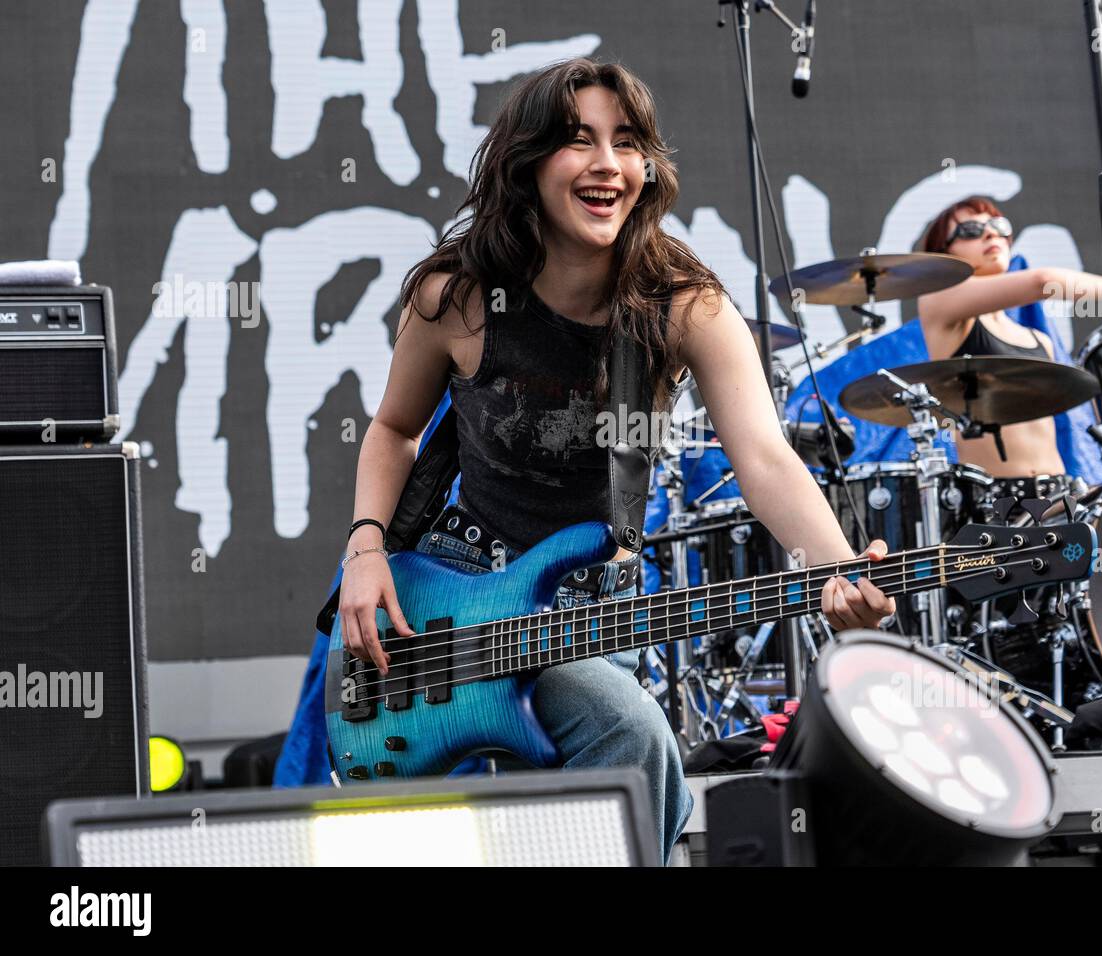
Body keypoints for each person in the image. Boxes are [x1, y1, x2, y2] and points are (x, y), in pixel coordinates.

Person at [335, 58, 895, 865]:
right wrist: (364, 552)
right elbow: (392, 430)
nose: (608, 164)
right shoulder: (455, 296)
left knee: (629, 788)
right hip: (448, 603)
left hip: (594, 612)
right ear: (525, 165)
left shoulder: (682, 304)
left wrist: (839, 567)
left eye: (626, 143)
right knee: (629, 745)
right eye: (577, 141)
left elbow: (765, 459)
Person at [917, 195, 1102, 483]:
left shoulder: (1037, 339)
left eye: (998, 225)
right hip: (995, 502)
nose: (990, 233)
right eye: (969, 230)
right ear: (944, 253)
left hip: (1058, 493)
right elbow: (1042, 282)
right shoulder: (937, 303)